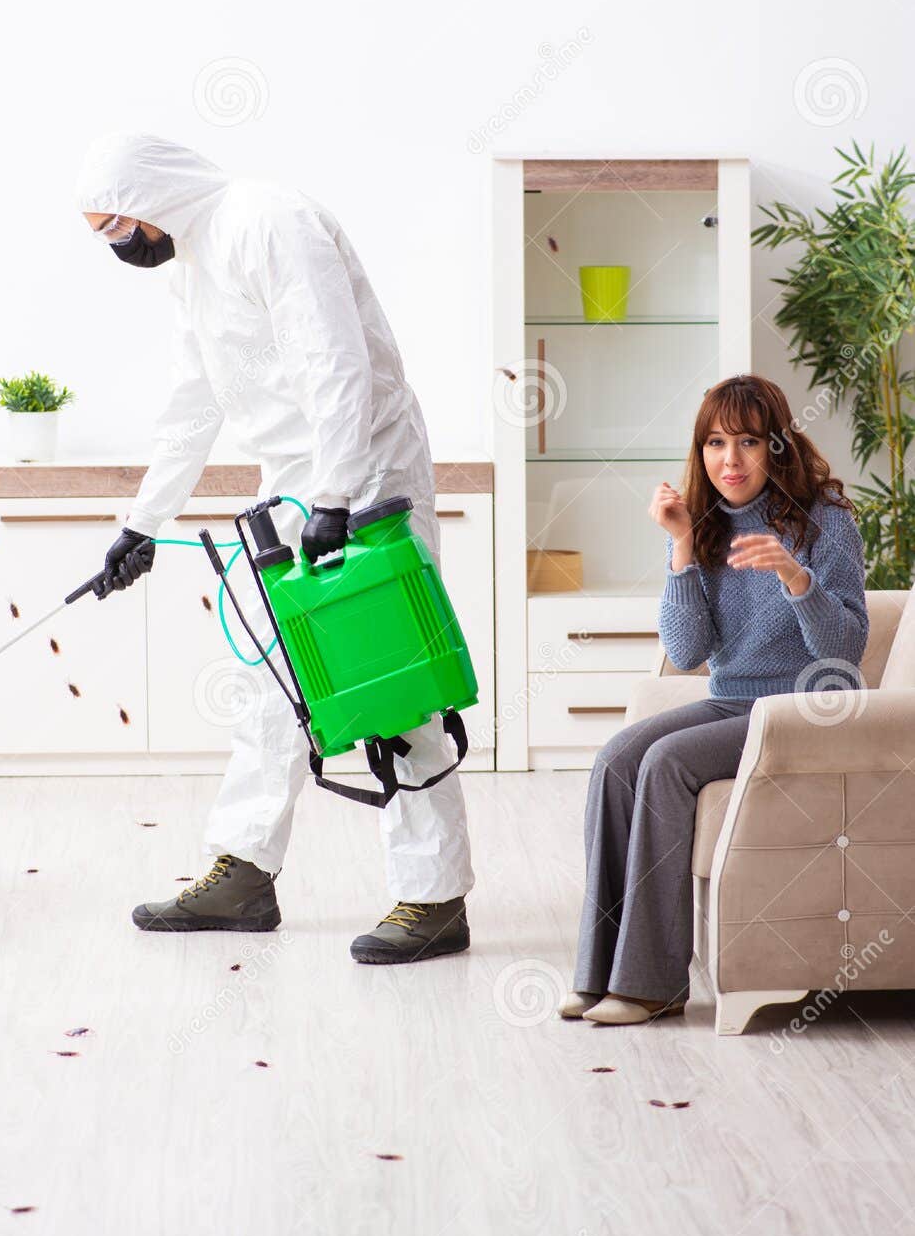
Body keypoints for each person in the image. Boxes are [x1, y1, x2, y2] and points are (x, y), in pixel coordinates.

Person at [74, 132, 473, 963]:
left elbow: (336, 361)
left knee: (390, 687)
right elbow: (194, 400)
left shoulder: (267, 219)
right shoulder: (190, 264)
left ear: (151, 196)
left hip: (367, 471)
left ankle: (434, 898)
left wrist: (337, 495)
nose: (119, 246)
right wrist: (143, 521)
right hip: (293, 482)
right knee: (269, 681)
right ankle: (245, 872)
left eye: (117, 226)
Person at [563, 373, 870, 1026]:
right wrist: (680, 546)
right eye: (715, 443)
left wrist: (794, 575)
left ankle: (652, 985)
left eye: (749, 442)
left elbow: (843, 650)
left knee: (667, 763)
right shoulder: (702, 524)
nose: (730, 460)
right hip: (732, 703)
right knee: (617, 759)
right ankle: (598, 974)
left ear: (777, 446)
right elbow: (688, 649)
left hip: (808, 710)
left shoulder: (826, 520)